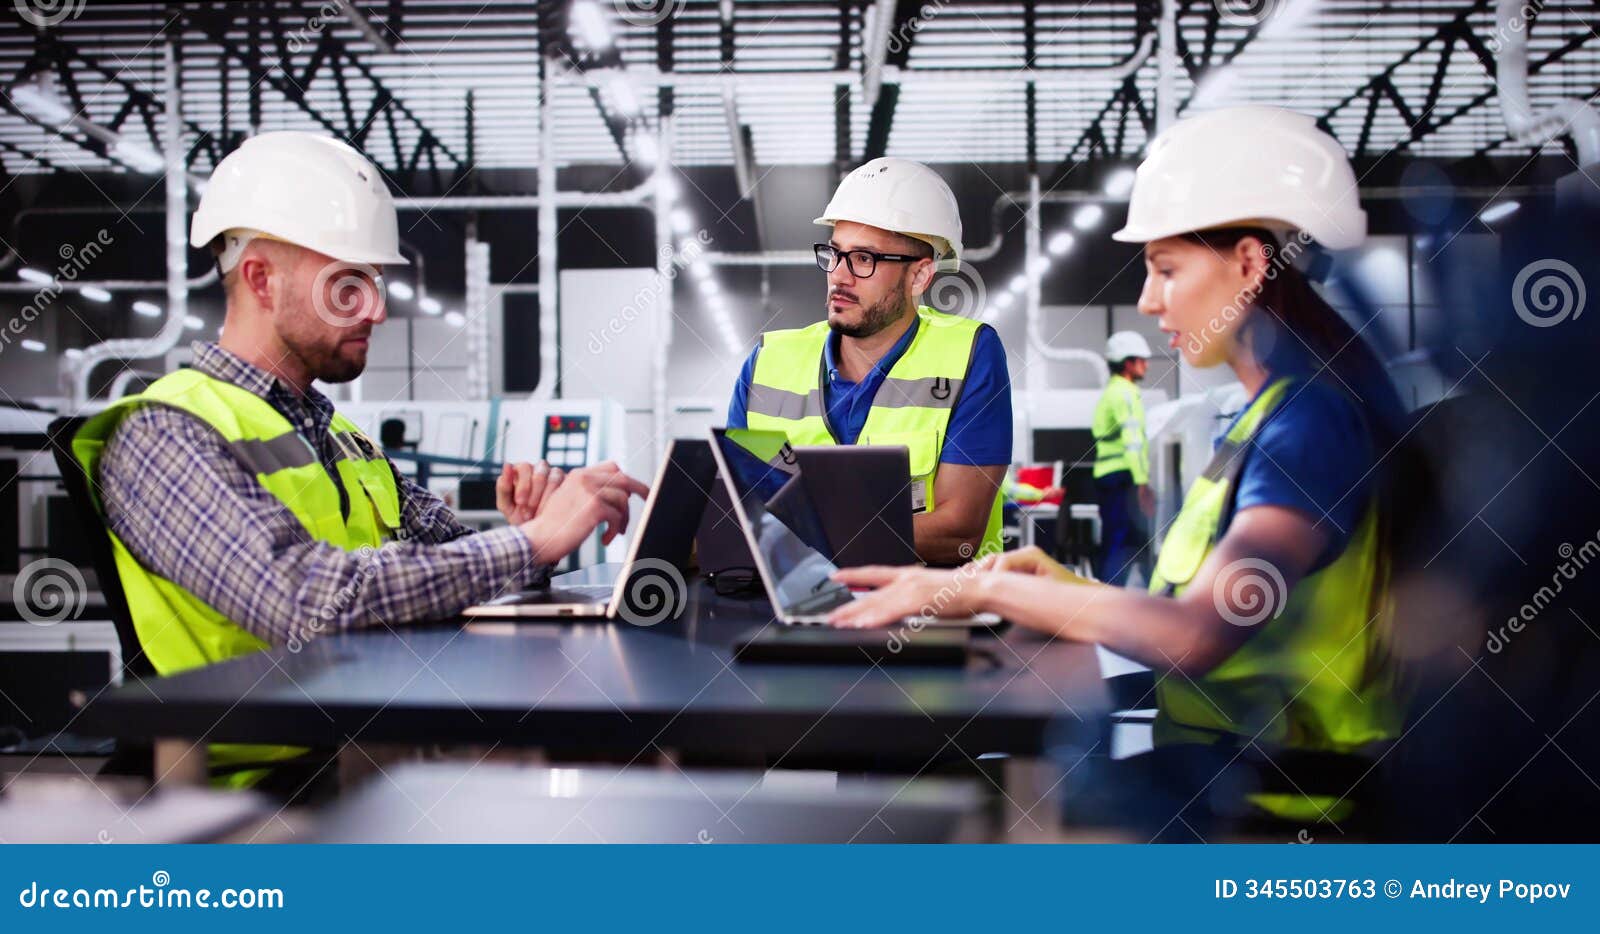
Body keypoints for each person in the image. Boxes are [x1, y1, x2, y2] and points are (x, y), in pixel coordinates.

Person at [826, 107, 1405, 829]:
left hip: (1273, 801)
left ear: (1253, 265)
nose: (1147, 299)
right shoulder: (1274, 412)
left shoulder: (1312, 422)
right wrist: (1052, 584)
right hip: (1224, 764)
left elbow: (1198, 633)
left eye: (1165, 269)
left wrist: (982, 593)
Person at [74, 131, 648, 678]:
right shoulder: (166, 434)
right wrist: (532, 540)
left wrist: (530, 534)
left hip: (376, 741)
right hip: (266, 772)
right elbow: (305, 598)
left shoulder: (343, 437)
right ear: (262, 280)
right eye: (348, 284)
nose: (375, 311)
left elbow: (451, 562)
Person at [725, 157, 1012, 566]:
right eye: (835, 254)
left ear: (919, 276)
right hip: (799, 611)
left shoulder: (969, 354)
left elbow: (958, 533)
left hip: (936, 614)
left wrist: (799, 537)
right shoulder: (768, 363)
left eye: (864, 259)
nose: (839, 276)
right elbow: (738, 514)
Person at [1092, 330, 1155, 585]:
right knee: (1122, 542)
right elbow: (1133, 441)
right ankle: (1110, 603)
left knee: (1124, 541)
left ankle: (1115, 599)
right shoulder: (1124, 394)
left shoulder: (1112, 392)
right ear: (1128, 363)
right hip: (1122, 477)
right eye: (1142, 359)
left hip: (1110, 477)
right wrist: (1142, 483)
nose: (1147, 365)